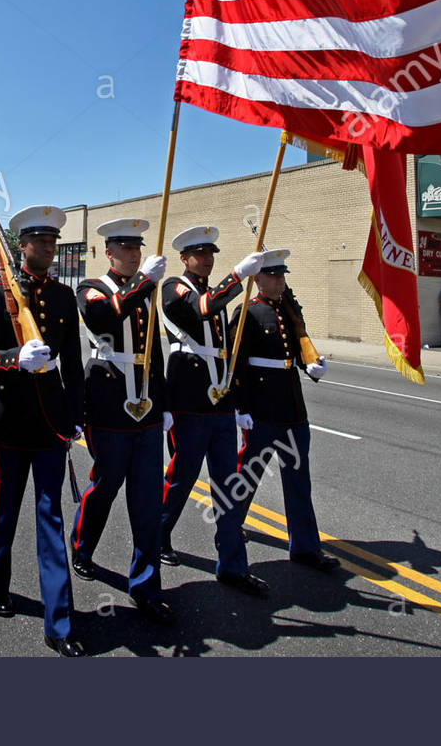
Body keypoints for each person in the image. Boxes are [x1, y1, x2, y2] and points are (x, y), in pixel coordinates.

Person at [0, 204, 86, 656]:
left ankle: (59, 621)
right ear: (20, 246)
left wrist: (77, 415)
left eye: (52, 242)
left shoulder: (65, 298)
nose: (47, 247)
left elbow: (75, 364)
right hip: (10, 418)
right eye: (39, 241)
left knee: (50, 517)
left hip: (50, 421)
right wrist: (14, 359)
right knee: (4, 511)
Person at [70, 218, 174, 624]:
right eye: (125, 249)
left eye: (138, 248)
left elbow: (154, 353)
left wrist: (163, 403)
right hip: (110, 405)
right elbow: (105, 319)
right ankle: (83, 546)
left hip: (146, 408)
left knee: (147, 498)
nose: (134, 254)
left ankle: (146, 585)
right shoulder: (91, 288)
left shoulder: (145, 294)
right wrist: (145, 282)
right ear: (108, 252)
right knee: (106, 486)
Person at [158, 225, 270, 596]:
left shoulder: (217, 297)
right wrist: (238, 275)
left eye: (211, 254)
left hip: (220, 403)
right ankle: (159, 536)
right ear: (184, 258)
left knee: (229, 486)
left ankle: (233, 566)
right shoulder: (175, 288)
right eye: (199, 254)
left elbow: (227, 356)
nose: (207, 259)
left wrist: (237, 404)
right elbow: (200, 311)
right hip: (188, 401)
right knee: (181, 478)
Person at [228, 249, 340, 572]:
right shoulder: (248, 313)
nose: (279, 282)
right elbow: (236, 366)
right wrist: (241, 407)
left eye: (282, 276)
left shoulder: (289, 312)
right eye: (273, 276)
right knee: (246, 476)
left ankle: (305, 547)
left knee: (298, 481)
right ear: (258, 279)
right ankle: (230, 528)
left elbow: (295, 352)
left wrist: (311, 367)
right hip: (261, 411)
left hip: (292, 410)